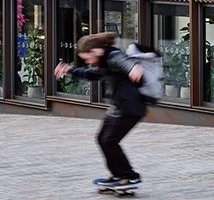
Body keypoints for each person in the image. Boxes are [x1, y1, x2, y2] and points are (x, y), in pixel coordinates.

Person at [54, 32, 146, 191]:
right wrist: (70, 70)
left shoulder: (113, 56)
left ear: (95, 51)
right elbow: (91, 74)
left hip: (130, 108)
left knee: (109, 140)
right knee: (103, 139)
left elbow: (124, 61)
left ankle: (130, 177)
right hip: (119, 107)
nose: (88, 61)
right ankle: (118, 175)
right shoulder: (104, 61)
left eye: (87, 58)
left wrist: (133, 69)